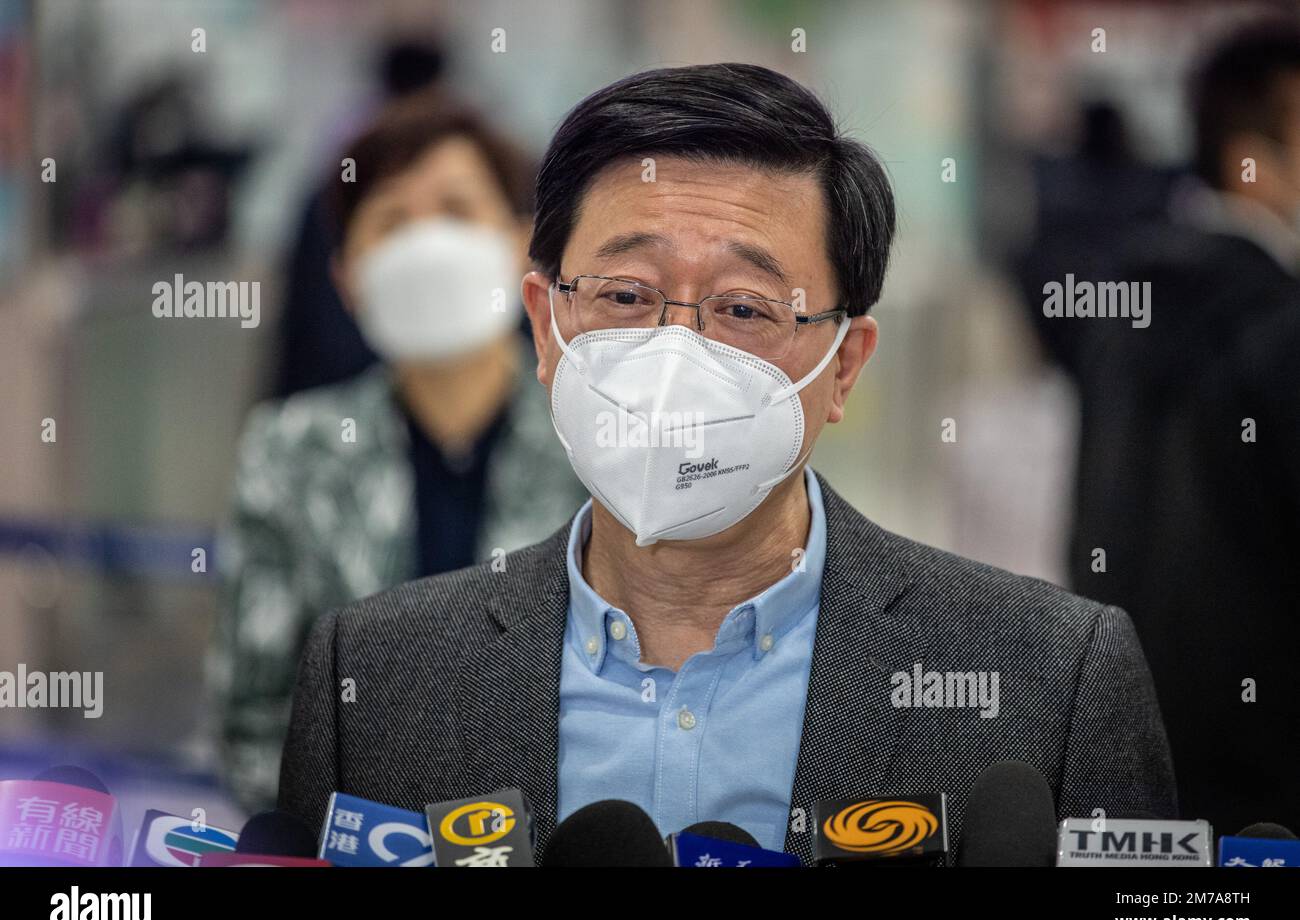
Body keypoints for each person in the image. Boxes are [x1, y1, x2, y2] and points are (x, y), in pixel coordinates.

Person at [278, 63, 1174, 862]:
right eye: (626, 295)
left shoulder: (1051, 681)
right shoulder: (374, 680)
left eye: (745, 310)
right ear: (546, 328)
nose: (675, 353)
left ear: (843, 368)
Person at [212, 94, 588, 811]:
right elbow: (252, 721)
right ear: (347, 279)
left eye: (456, 210)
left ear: (520, 244)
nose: (427, 245)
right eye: (391, 222)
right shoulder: (290, 454)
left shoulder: (598, 442)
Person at [1063, 21, 1300, 833]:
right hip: (1273, 784)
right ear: (1254, 161)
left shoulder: (1124, 299)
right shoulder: (1278, 324)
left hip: (1125, 754)